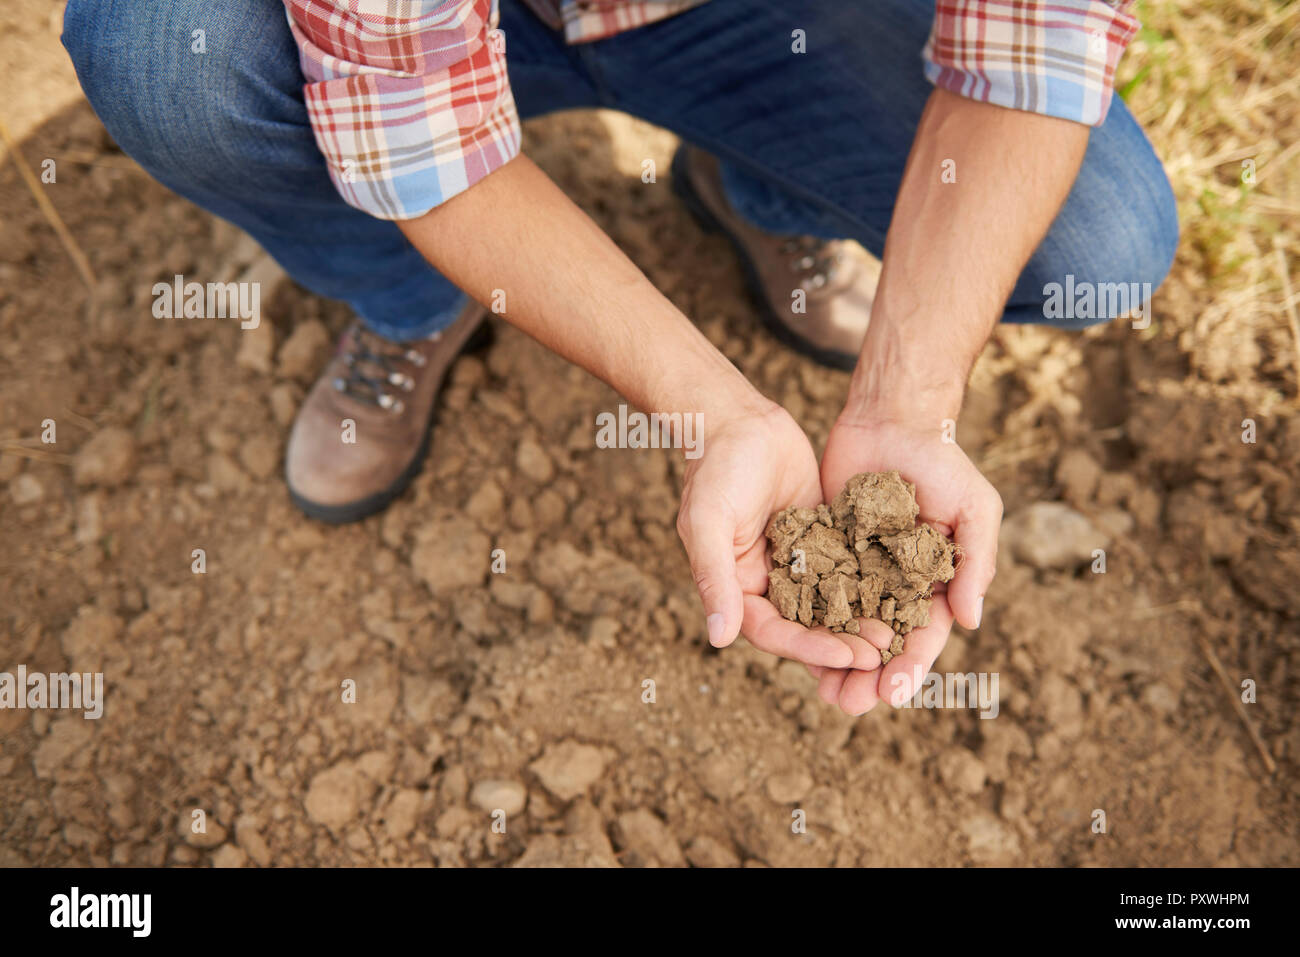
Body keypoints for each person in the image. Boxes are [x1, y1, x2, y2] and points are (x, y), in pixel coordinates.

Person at [62, 0, 1178, 714]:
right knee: (165, 52)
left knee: (1097, 239)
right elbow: (417, 127)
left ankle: (757, 191)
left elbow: (1036, 39)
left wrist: (910, 400)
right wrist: (711, 406)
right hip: (421, 31)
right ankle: (409, 297)